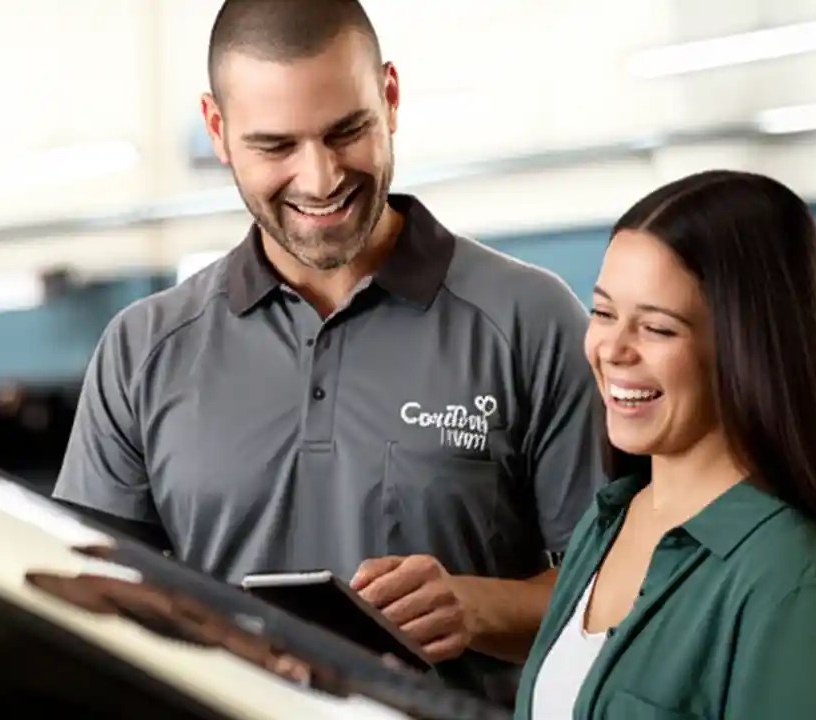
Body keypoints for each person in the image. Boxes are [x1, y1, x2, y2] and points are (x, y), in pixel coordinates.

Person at [53, 0, 605, 706]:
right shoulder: (143, 351)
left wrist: (478, 608)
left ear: (391, 97)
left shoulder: (529, 319)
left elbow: (623, 595)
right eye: (275, 147)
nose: (320, 180)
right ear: (218, 130)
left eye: (347, 132)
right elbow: (90, 595)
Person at [514, 169, 816, 720]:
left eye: (657, 328)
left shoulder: (794, 586)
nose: (612, 349)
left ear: (749, 348)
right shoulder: (606, 523)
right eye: (603, 313)